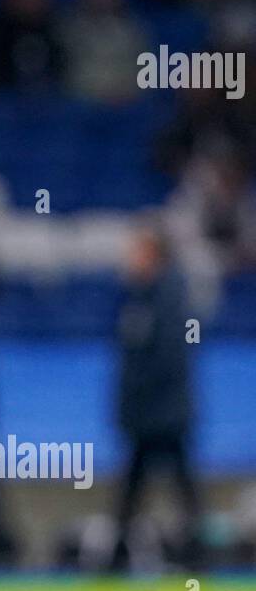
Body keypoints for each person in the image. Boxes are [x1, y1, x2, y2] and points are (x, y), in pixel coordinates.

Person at [109, 224, 201, 571]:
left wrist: (140, 403)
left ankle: (193, 552)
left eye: (137, 251)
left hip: (161, 414)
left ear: (154, 255)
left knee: (163, 484)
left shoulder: (167, 299)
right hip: (153, 413)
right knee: (159, 485)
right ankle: (192, 552)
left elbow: (167, 361)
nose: (129, 259)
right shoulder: (141, 298)